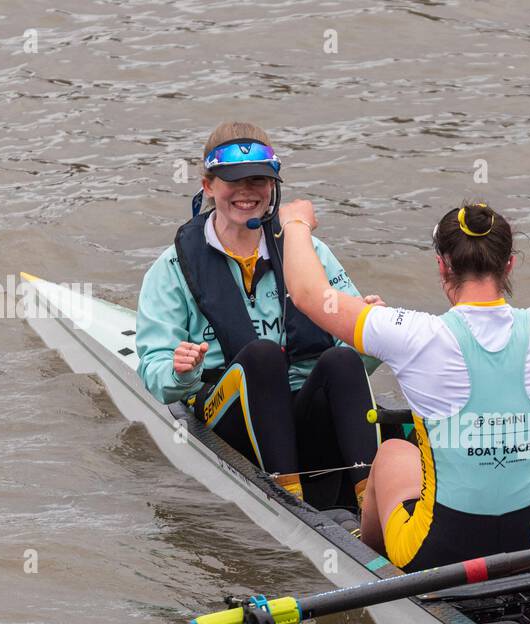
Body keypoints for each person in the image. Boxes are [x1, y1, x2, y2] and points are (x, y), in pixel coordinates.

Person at [277, 157, 530, 570]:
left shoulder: (414, 335)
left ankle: (370, 561)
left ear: (442, 265)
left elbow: (309, 294)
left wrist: (295, 224)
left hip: (438, 552)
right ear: (508, 264)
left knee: (395, 451)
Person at [135, 121, 382, 507]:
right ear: (208, 186)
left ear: (273, 187)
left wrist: (373, 332)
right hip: (229, 414)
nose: (247, 192)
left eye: (258, 180)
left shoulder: (309, 252)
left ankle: (372, 504)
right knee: (263, 355)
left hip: (301, 407)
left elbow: (359, 363)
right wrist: (181, 370)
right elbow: (155, 374)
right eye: (234, 180)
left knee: (342, 359)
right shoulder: (170, 271)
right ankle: (288, 500)